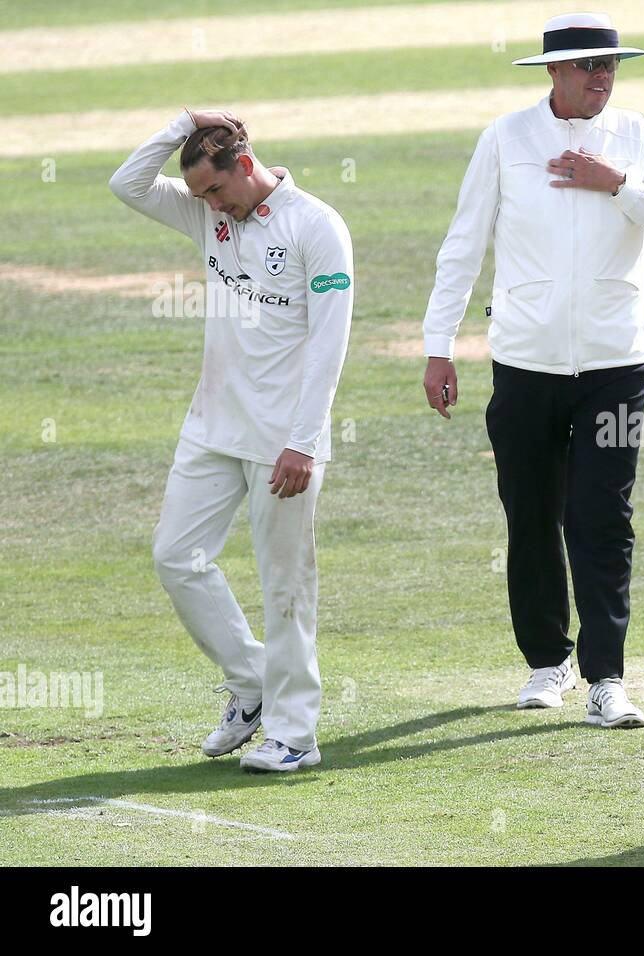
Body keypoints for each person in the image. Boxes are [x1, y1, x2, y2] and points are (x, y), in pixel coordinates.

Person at [421, 13, 644, 727]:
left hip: (616, 363)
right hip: (525, 362)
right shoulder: (505, 139)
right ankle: (547, 663)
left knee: (603, 516)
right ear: (553, 72)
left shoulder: (636, 139)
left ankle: (607, 677)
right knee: (531, 514)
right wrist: (438, 344)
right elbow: (463, 245)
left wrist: (619, 184)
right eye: (587, 67)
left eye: (609, 66)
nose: (601, 78)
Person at [109, 108, 354, 772]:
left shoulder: (317, 226)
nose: (209, 207)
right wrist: (184, 122)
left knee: (286, 585)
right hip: (211, 428)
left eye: (215, 190)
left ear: (245, 166)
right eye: (200, 196)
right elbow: (126, 184)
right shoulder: (209, 214)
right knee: (175, 558)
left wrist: (303, 442)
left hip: (283, 442)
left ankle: (295, 735)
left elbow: (329, 346)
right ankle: (252, 683)